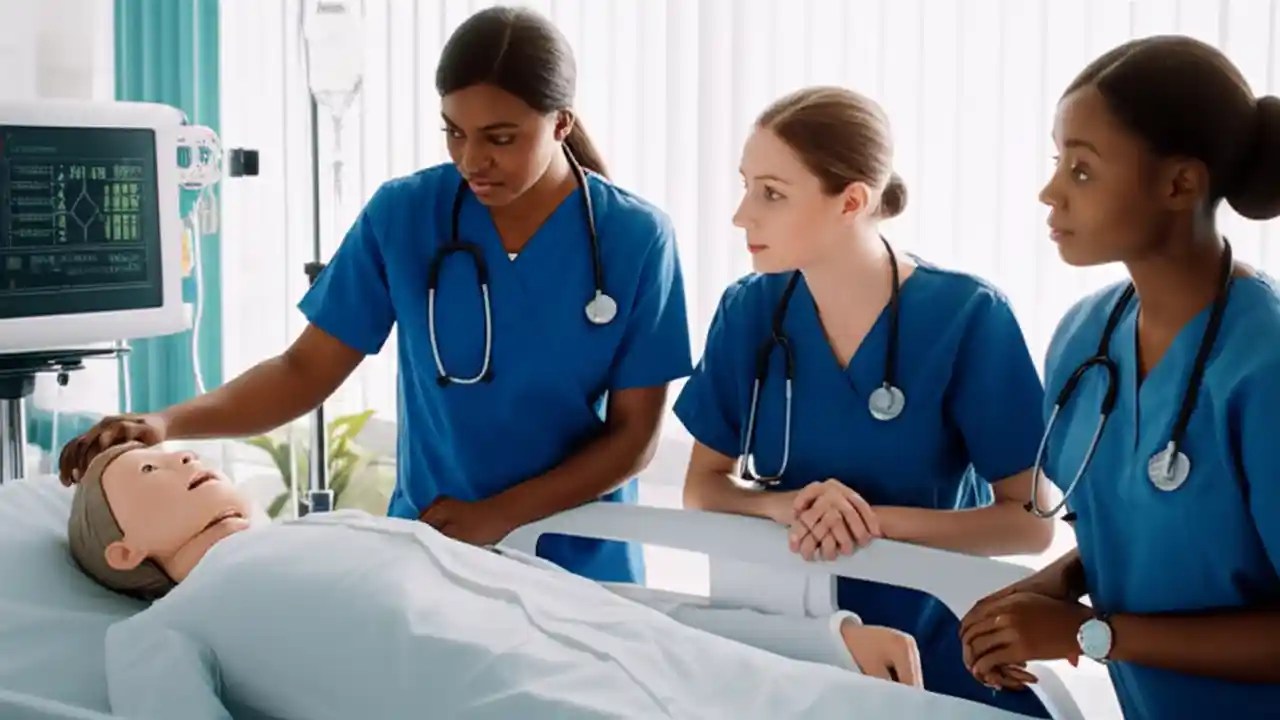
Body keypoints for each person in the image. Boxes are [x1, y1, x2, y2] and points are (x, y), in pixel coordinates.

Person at [57, 6, 693, 585]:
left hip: (583, 558)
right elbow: (302, 371)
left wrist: (498, 516)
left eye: (500, 138)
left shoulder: (634, 238)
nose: (472, 160)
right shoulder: (406, 215)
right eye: (454, 133)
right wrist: (167, 423)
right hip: (435, 544)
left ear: (561, 124)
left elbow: (633, 438)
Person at [66, 442, 1032, 720]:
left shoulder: (352, 528)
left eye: (179, 452)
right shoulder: (164, 629)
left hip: (714, 684)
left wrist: (816, 642)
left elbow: (585, 605)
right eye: (145, 472)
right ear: (122, 553)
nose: (182, 461)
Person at [673, 86, 1057, 717]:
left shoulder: (966, 317)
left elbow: (1029, 523)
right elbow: (703, 487)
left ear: (851, 201)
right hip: (794, 638)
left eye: (770, 192)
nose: (742, 215)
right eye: (745, 186)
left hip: (937, 642)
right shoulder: (749, 311)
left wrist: (870, 522)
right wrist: (788, 507)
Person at [959, 35, 1280, 719]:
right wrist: (1051, 588)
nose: (1050, 193)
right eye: (1058, 162)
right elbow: (1129, 518)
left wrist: (1088, 633)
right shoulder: (1084, 339)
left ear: (1179, 184)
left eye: (1081, 170)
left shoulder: (1266, 364)